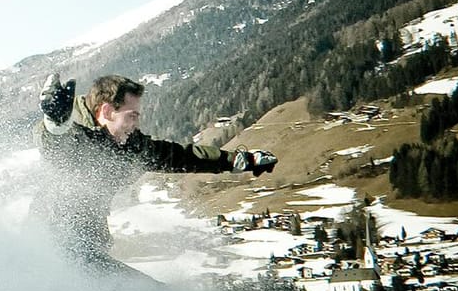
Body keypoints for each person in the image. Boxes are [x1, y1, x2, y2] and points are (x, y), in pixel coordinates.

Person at [29, 73, 277, 280]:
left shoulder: (130, 145)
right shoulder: (77, 134)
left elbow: (178, 157)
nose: (135, 123)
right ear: (107, 111)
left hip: (91, 247)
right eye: (131, 115)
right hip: (55, 248)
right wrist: (55, 124)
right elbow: (54, 145)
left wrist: (236, 161)